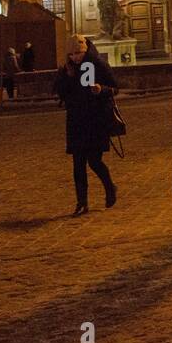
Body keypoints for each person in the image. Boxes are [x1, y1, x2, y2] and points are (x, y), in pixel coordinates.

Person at [54, 34, 118, 216]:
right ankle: (82, 202)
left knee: (95, 161)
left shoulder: (97, 64)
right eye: (72, 54)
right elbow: (60, 91)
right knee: (78, 164)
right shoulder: (67, 68)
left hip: (96, 120)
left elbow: (114, 87)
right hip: (76, 121)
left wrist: (101, 89)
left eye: (78, 53)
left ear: (85, 50)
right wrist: (66, 78)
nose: (75, 57)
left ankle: (110, 187)